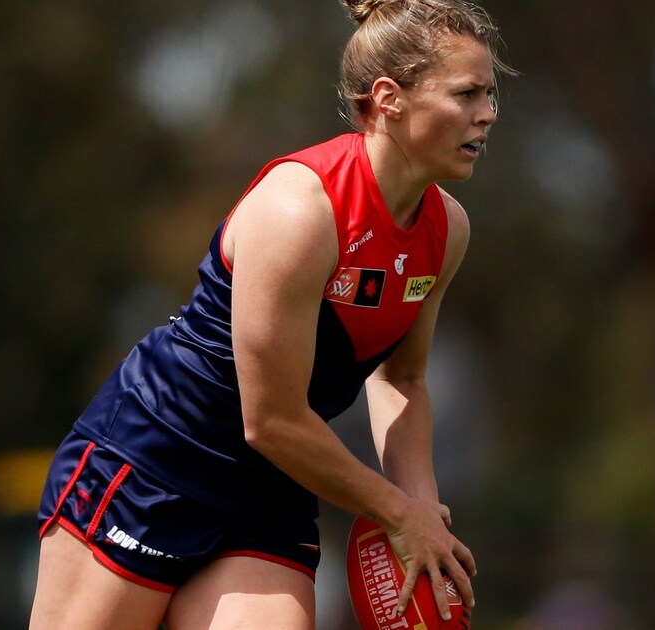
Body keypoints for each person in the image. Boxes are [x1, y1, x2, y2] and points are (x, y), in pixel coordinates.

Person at [29, 1, 510, 627]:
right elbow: (272, 420)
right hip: (152, 466)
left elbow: (402, 378)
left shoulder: (447, 230)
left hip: (270, 493)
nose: (487, 113)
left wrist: (421, 512)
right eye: (467, 94)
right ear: (390, 99)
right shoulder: (301, 210)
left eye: (490, 94)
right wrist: (395, 511)